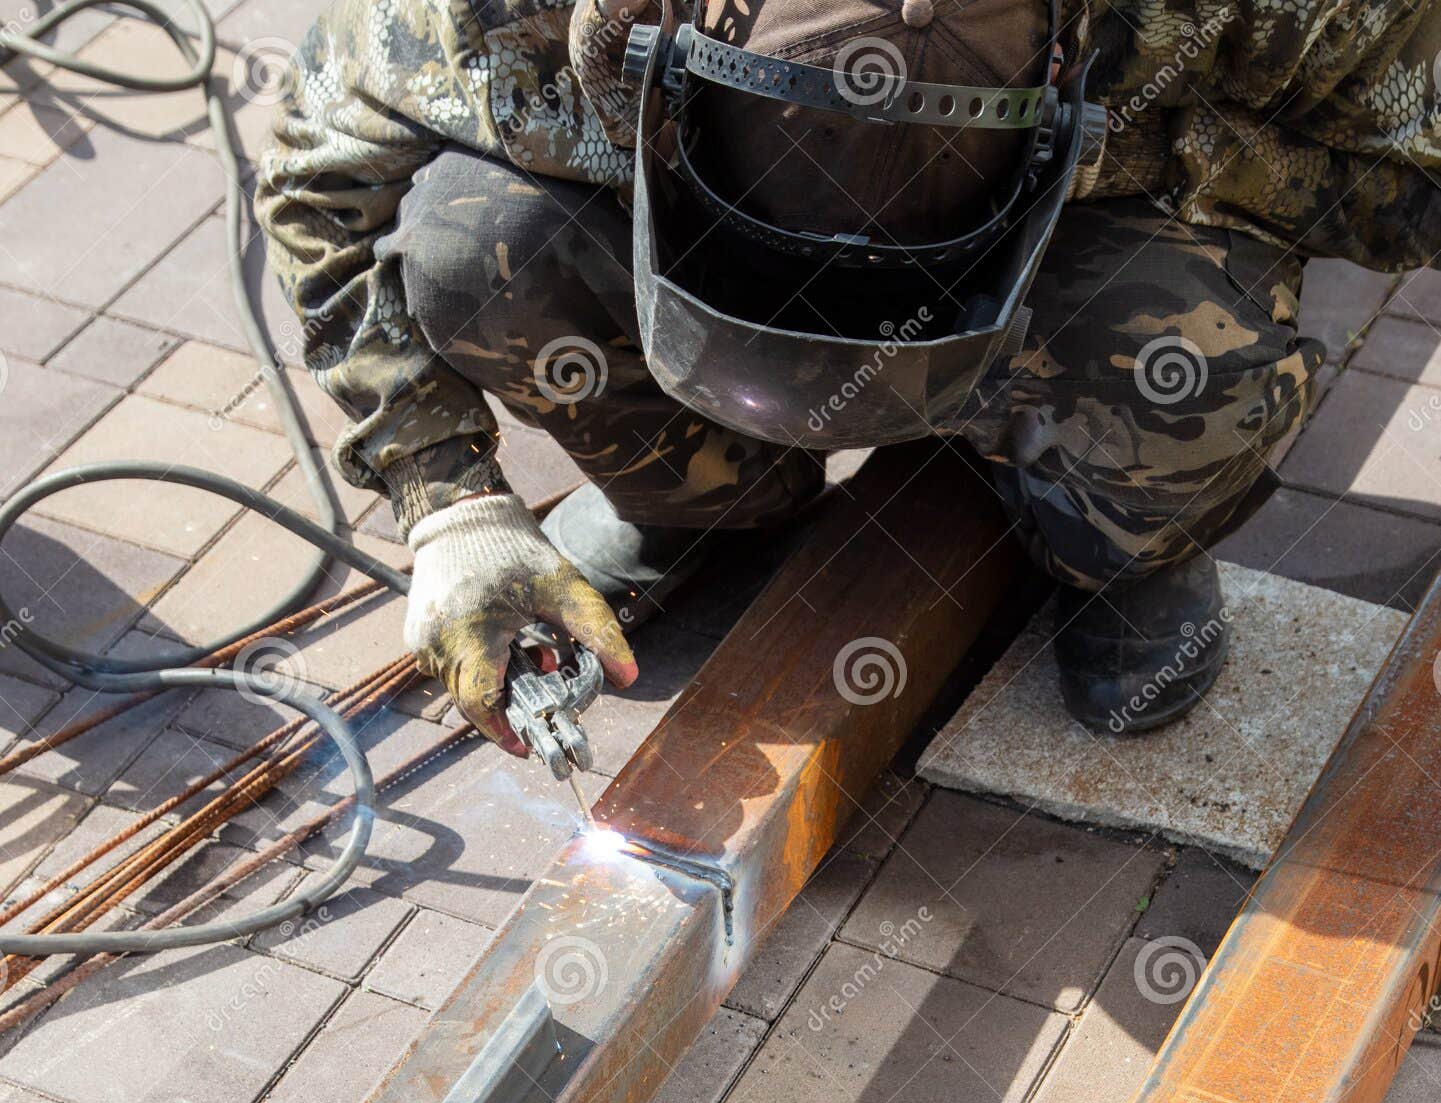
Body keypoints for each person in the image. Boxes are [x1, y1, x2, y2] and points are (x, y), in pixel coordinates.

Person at [256, 0, 1441, 741]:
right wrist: (445, 498)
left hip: (1068, 244)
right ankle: (712, 490)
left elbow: (1415, 180)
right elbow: (316, 173)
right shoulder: (504, 13)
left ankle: (1114, 545)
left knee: (1196, 344)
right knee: (473, 249)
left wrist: (1175, 154)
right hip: (673, 215)